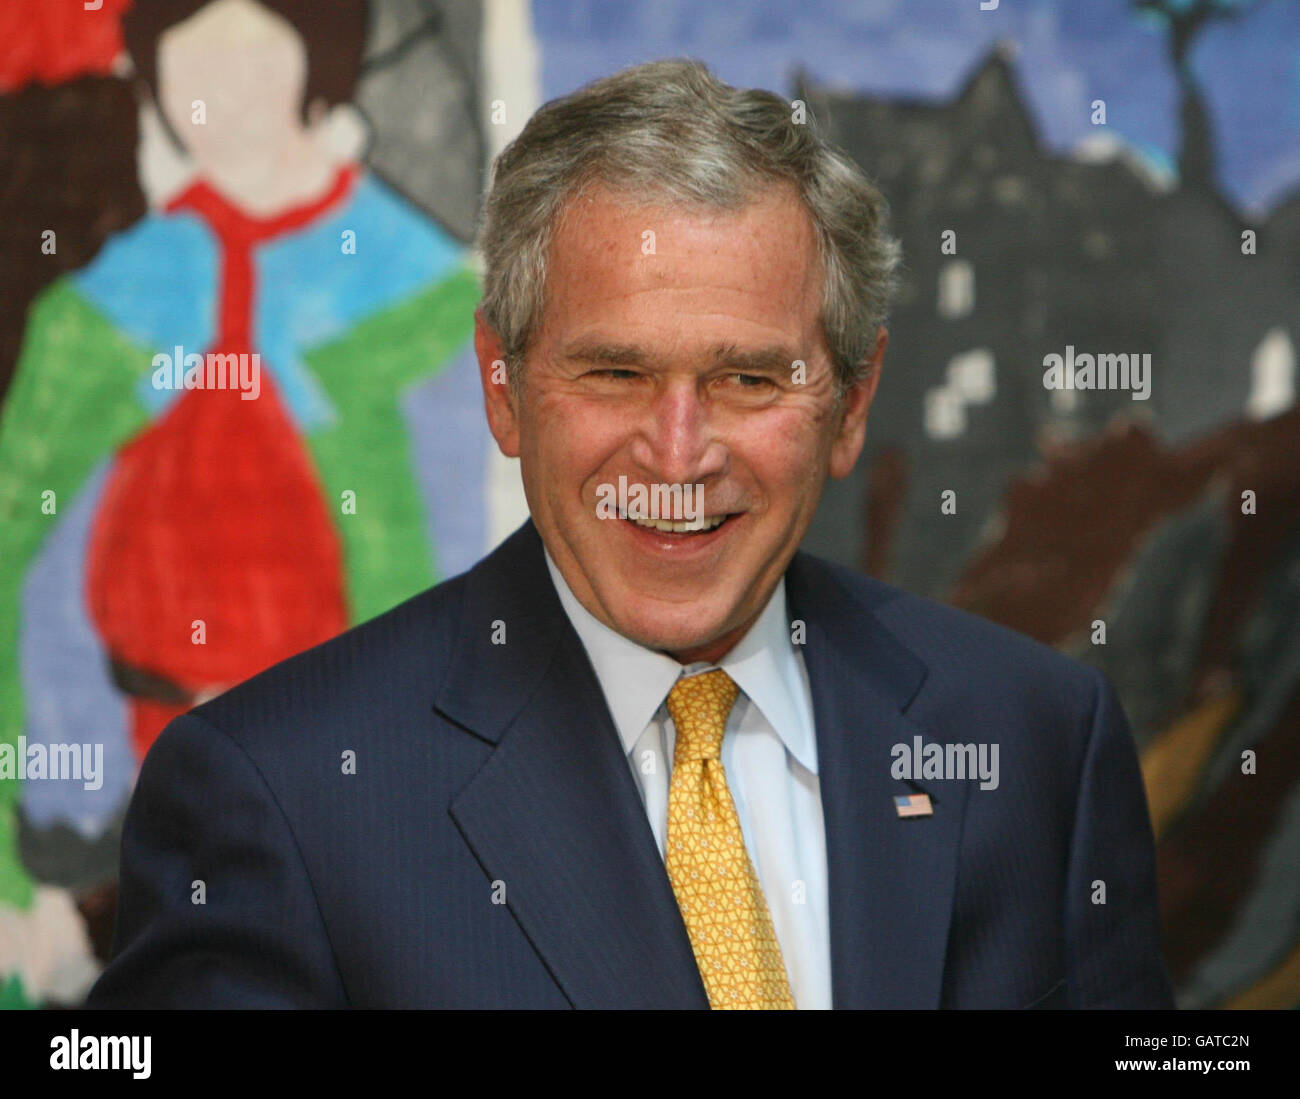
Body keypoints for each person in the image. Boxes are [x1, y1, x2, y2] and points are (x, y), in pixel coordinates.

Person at [88, 59, 1174, 1009]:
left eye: (748, 378)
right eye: (615, 373)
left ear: (849, 406)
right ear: (502, 388)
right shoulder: (277, 796)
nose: (677, 453)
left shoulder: (1038, 741)